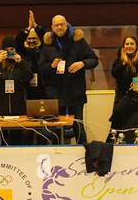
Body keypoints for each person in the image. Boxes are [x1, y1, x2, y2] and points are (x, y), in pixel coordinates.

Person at [41, 15, 98, 143]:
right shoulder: (47, 45)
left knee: (78, 126)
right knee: (56, 128)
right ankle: (57, 155)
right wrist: (51, 66)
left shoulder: (78, 41)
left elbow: (94, 60)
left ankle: (84, 156)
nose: (59, 27)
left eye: (62, 24)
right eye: (57, 25)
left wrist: (82, 63)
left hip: (75, 93)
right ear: (52, 27)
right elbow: (41, 69)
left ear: (67, 25)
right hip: (56, 94)